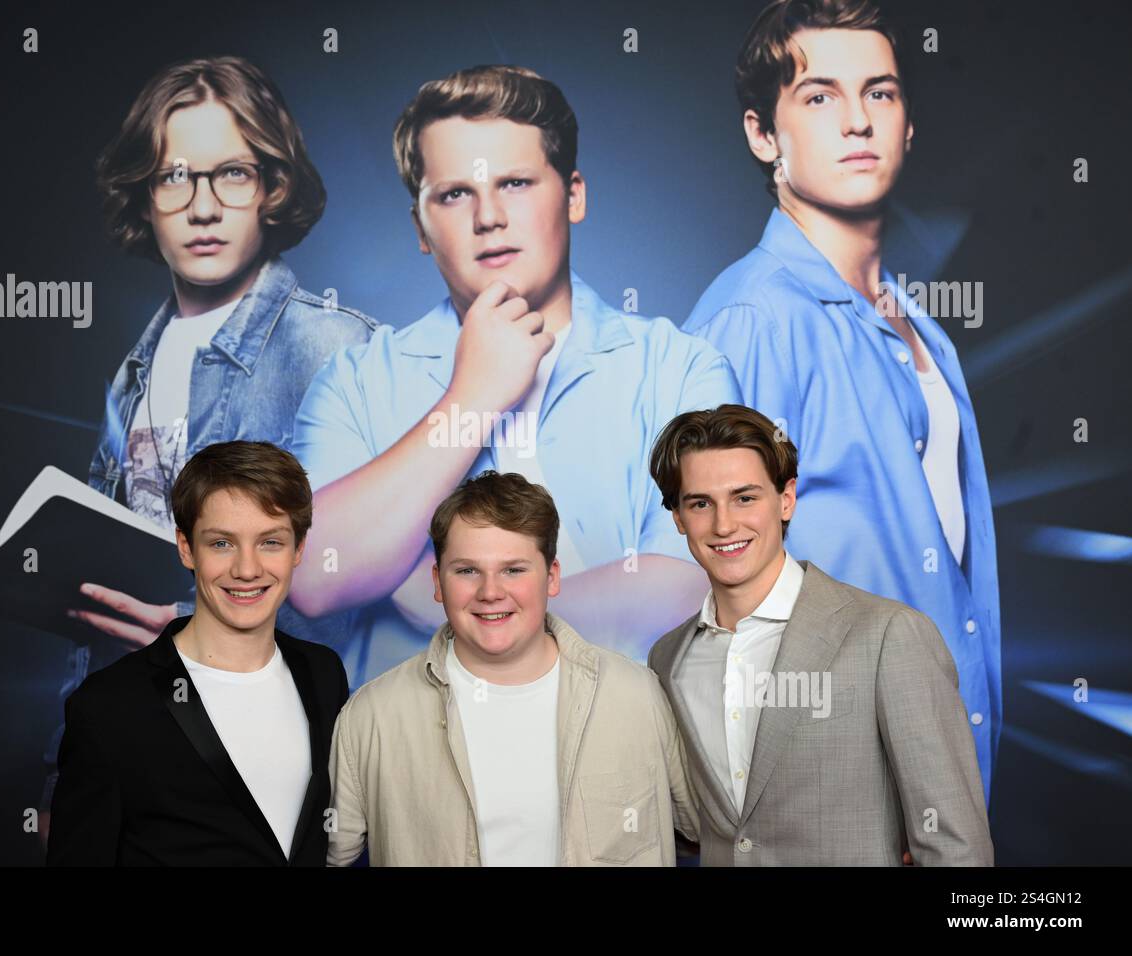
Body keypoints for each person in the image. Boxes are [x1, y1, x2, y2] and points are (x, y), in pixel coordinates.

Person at [290, 64, 740, 683]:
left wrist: (459, 604)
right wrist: (472, 396)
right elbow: (313, 575)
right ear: (420, 227)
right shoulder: (355, 380)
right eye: (454, 194)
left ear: (574, 195)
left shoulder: (680, 368)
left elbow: (692, 584)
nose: (489, 216)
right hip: (422, 766)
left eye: (516, 183)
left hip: (616, 760)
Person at [40, 55, 376, 827]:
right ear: (145, 199)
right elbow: (99, 604)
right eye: (174, 178)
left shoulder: (338, 350)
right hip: (136, 766)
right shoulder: (132, 372)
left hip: (268, 775)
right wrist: (67, 772)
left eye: (231, 174)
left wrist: (205, 635)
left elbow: (370, 584)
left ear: (273, 188)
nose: (202, 207)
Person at [684, 0, 999, 804]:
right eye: (820, 96)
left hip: (948, 772)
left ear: (908, 124)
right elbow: (700, 577)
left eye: (881, 93)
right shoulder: (751, 319)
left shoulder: (925, 328)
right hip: (833, 793)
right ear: (764, 134)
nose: (858, 120)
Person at [647, 406, 993, 865]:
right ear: (677, 518)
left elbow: (956, 845)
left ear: (786, 498)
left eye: (745, 498)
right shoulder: (669, 660)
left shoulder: (888, 635)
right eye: (700, 503)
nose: (724, 525)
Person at [326, 471, 701, 866]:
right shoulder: (372, 716)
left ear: (552, 577)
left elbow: (703, 831)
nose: (491, 592)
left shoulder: (637, 695)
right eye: (467, 570)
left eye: (514, 570)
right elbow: (328, 855)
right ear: (438, 582)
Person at [47, 441, 348, 865]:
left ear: (298, 549)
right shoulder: (110, 705)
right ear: (187, 548)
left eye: (270, 542)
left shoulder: (323, 673)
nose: (247, 569)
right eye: (222, 543)